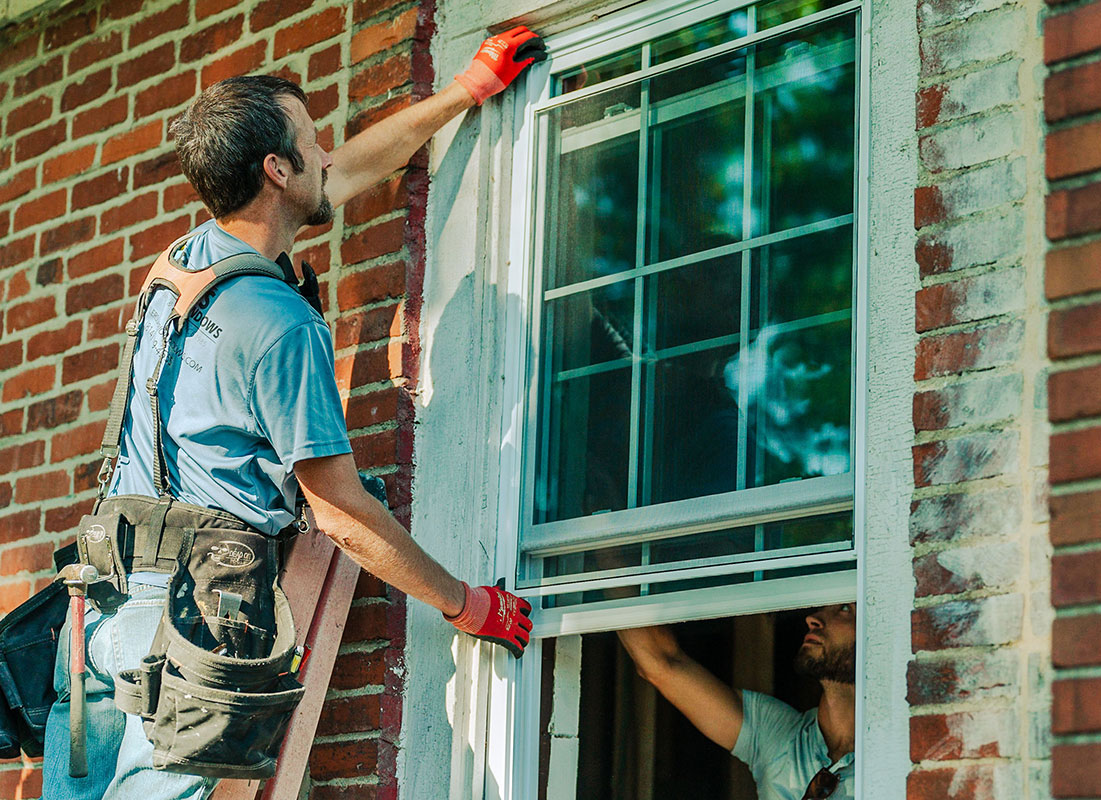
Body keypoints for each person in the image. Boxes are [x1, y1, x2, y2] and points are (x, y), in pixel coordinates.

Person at [40, 25, 545, 800]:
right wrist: (465, 603)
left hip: (98, 609)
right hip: (184, 628)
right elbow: (340, 515)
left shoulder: (176, 267)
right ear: (276, 170)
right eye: (310, 143)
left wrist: (464, 92)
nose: (326, 153)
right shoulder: (281, 325)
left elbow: (340, 174)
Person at [616, 603, 856, 800]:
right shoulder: (780, 736)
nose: (813, 619)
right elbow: (663, 664)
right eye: (821, 606)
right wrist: (609, 560)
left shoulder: (892, 755)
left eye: (845, 608)